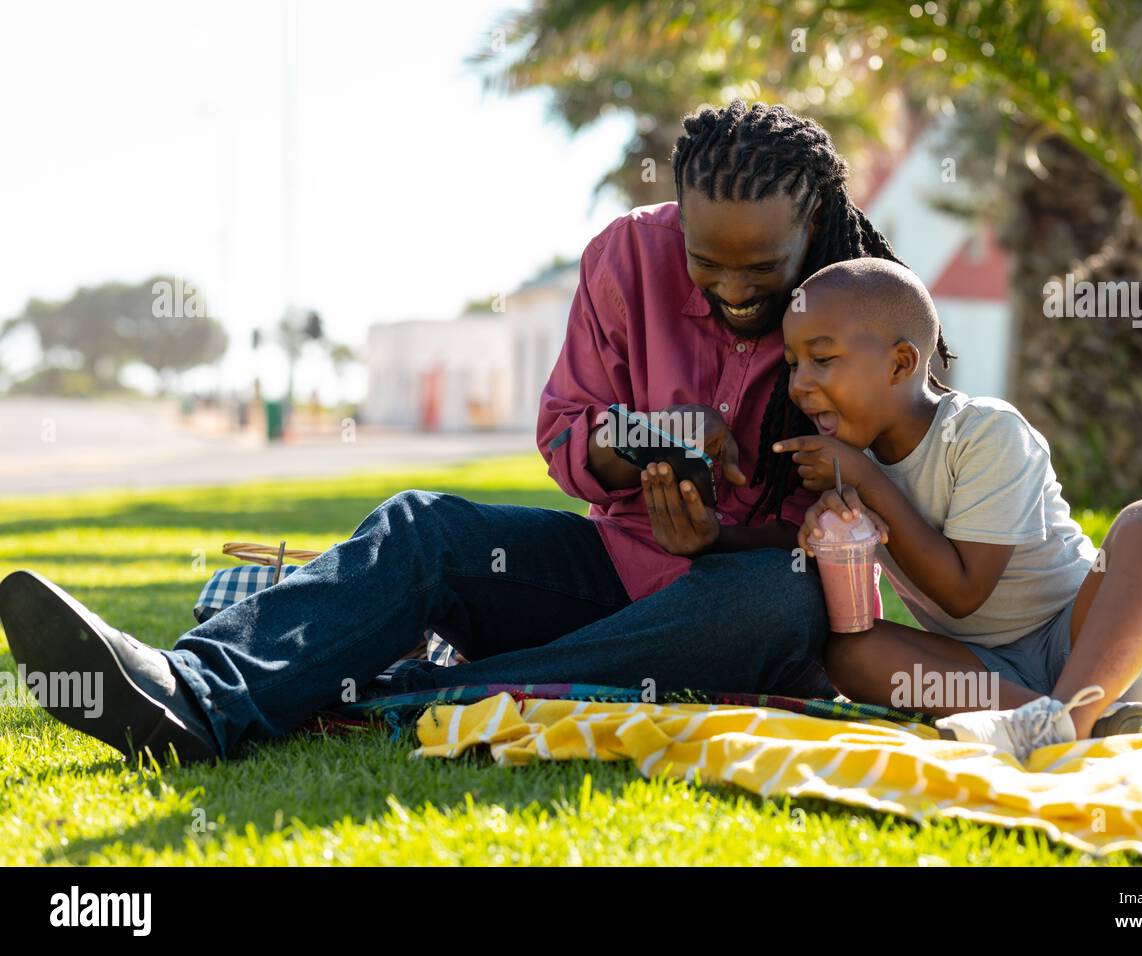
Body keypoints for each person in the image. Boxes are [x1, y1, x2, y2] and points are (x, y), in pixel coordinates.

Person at [0, 101, 916, 765]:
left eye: (762, 268)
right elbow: (565, 436)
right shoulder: (625, 258)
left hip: (731, 605)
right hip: (611, 573)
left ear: (816, 237)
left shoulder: (864, 304)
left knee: (780, 599)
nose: (730, 288)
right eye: (707, 261)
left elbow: (852, 528)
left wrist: (722, 537)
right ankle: (193, 694)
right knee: (422, 527)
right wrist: (636, 441)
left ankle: (425, 691)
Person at [760, 257, 1142, 764]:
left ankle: (1069, 717)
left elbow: (963, 592)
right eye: (793, 363)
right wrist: (828, 533)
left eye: (822, 359)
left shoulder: (983, 432)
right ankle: (1069, 726)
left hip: (1089, 645)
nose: (799, 384)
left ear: (901, 363)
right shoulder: (850, 466)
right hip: (986, 676)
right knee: (848, 650)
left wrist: (867, 482)